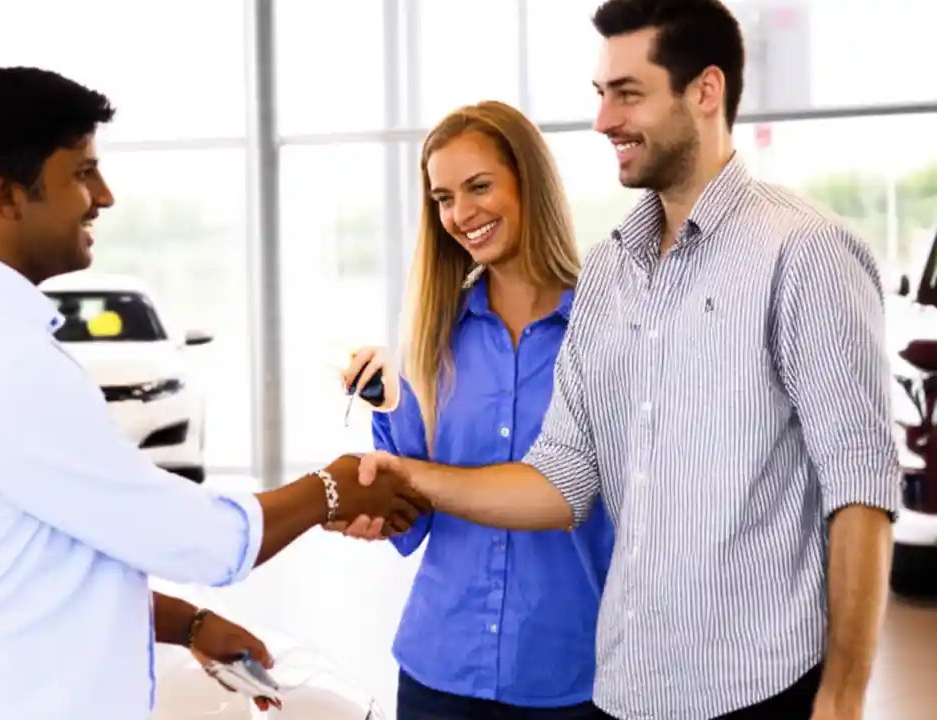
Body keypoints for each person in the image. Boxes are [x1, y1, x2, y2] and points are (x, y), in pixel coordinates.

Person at [355, 2, 902, 719]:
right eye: (600, 94)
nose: (604, 120)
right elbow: (561, 480)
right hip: (625, 690)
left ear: (705, 92)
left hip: (760, 686)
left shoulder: (802, 250)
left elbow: (859, 481)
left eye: (628, 93)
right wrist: (407, 475)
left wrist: (842, 695)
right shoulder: (612, 273)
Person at [0, 66, 427, 720]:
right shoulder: (0, 361)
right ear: (5, 195)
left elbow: (22, 560)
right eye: (81, 173)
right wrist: (329, 490)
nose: (104, 196)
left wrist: (186, 624)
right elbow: (191, 538)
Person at [332, 101, 615, 720]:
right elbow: (410, 527)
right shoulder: (428, 345)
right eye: (442, 197)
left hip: (570, 675)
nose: (460, 214)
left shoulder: (608, 330)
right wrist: (368, 499)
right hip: (439, 670)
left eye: (479, 186)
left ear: (528, 181)